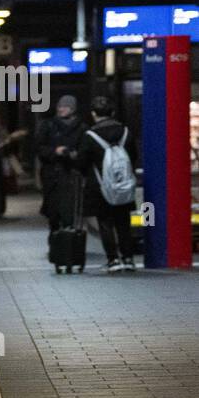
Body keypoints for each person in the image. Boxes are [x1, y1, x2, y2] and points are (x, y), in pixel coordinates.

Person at [74, 98, 136, 272]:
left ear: (94, 114)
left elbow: (81, 162)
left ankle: (113, 260)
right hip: (123, 183)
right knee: (124, 222)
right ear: (113, 113)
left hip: (99, 186)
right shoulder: (125, 131)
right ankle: (129, 258)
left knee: (105, 223)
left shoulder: (90, 136)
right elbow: (133, 155)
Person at [35, 95, 84, 235]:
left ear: (73, 109)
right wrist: (54, 151)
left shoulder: (81, 128)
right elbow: (38, 147)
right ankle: (56, 239)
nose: (61, 109)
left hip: (71, 174)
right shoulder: (48, 125)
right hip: (52, 174)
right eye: (60, 106)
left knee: (69, 209)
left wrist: (75, 155)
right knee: (53, 209)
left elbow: (85, 150)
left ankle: (66, 241)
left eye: (66, 107)